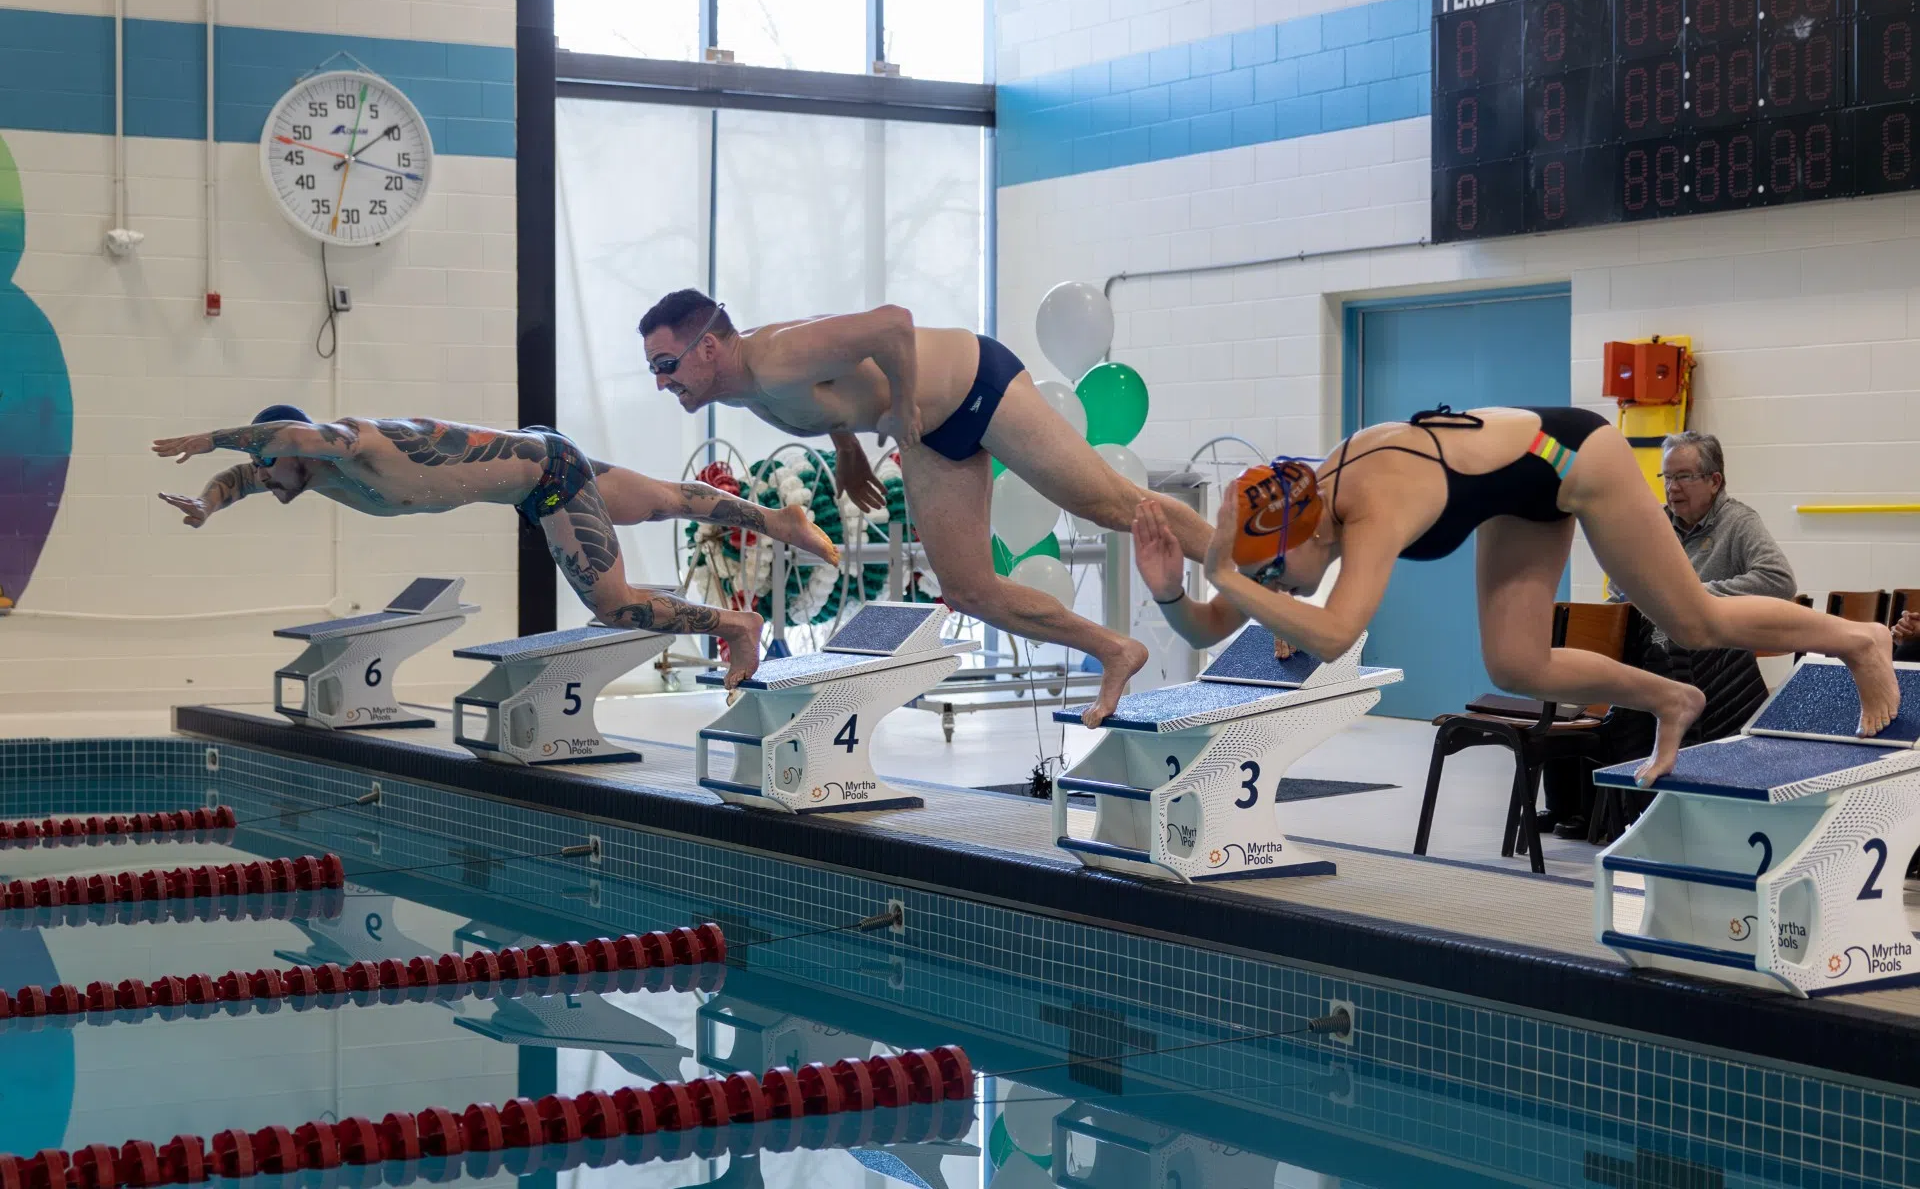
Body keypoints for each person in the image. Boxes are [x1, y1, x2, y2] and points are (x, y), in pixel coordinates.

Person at [1131, 405, 1899, 785]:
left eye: (1276, 574)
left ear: (1315, 535)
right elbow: (1206, 628)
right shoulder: (1296, 521)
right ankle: (1670, 701)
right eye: (1266, 578)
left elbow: (1332, 634)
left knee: (1693, 620)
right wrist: (1173, 593)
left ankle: (1857, 641)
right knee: (1516, 663)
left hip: (1566, 453)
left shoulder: (1372, 503)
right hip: (1511, 489)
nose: (1277, 589)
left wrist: (1230, 577)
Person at [637, 289, 1220, 726]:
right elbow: (829, 393)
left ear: (707, 346)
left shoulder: (775, 356)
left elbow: (894, 325)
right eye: (653, 369)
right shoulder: (747, 386)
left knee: (1114, 505)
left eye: (666, 364)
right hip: (929, 437)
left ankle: (1260, 585)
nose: (662, 383)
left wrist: (906, 404)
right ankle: (1116, 651)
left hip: (974, 388)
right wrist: (848, 450)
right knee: (969, 591)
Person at [150, 407, 834, 687]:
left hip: (545, 478)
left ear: (289, 445)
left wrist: (207, 436)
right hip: (540, 457)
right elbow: (244, 475)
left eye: (271, 465)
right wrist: (207, 505)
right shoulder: (309, 476)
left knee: (619, 608)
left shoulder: (347, 444)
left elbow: (281, 445)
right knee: (663, 500)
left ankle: (737, 626)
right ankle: (779, 519)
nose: (267, 481)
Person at [1605, 431, 1796, 626]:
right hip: (1648, 644)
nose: (1672, 487)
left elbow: (1779, 581)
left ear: (1714, 482)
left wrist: (1694, 595)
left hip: (1712, 648)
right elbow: (1617, 593)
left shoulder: (1738, 521)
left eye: (1684, 477)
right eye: (1668, 477)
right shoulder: (1650, 524)